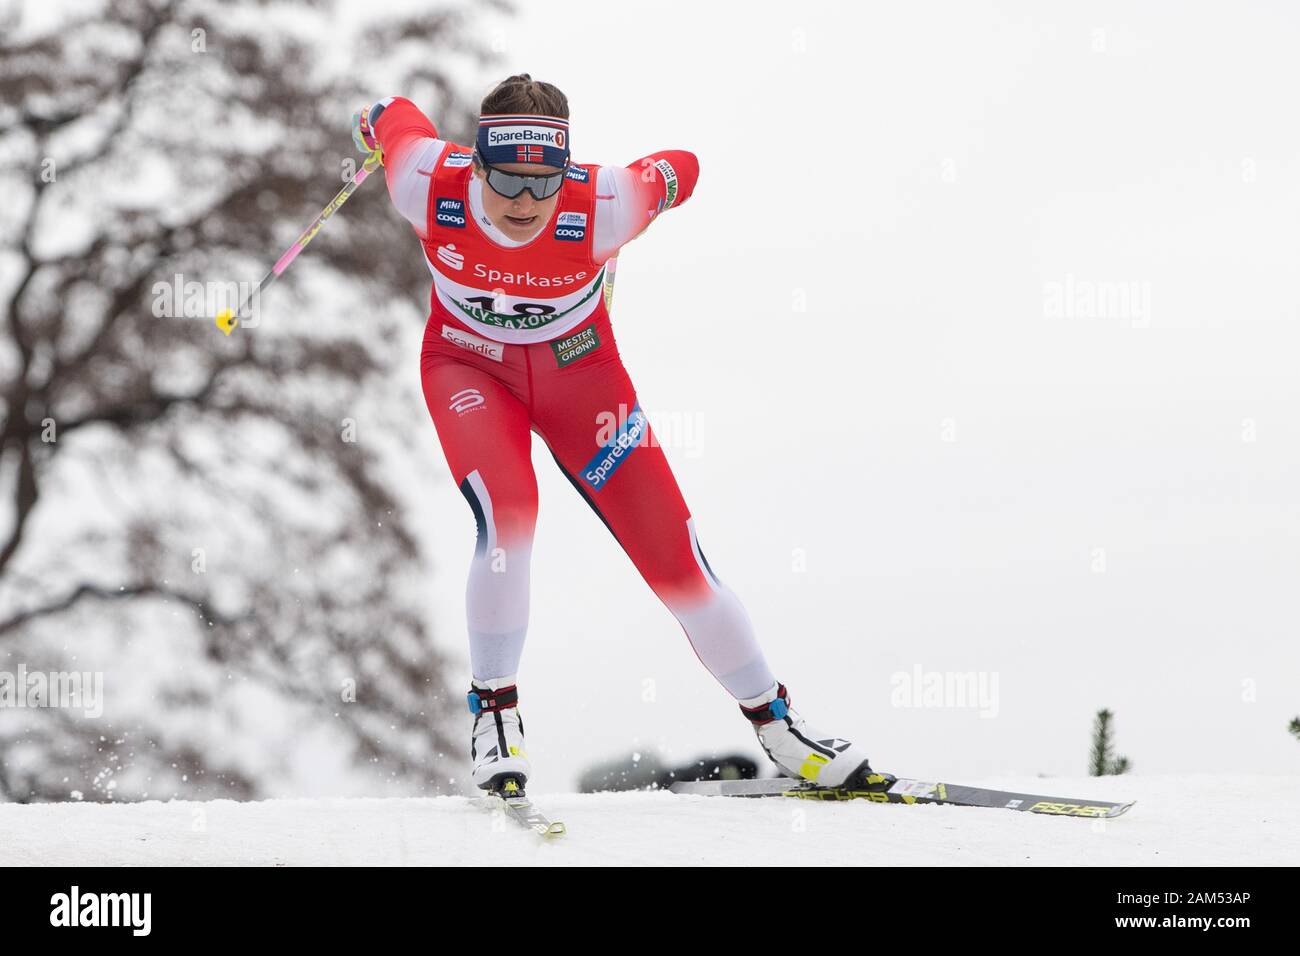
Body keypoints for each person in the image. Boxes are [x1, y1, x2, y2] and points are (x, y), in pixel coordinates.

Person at [352, 73, 889, 795]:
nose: (524, 203)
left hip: (584, 379)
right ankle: (496, 715)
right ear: (475, 164)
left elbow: (685, 165)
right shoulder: (423, 180)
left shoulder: (604, 203)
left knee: (677, 555)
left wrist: (663, 179)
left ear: (565, 173)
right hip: (469, 368)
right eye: (507, 179)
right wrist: (375, 118)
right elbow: (398, 118)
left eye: (543, 184)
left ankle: (780, 729)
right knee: (509, 519)